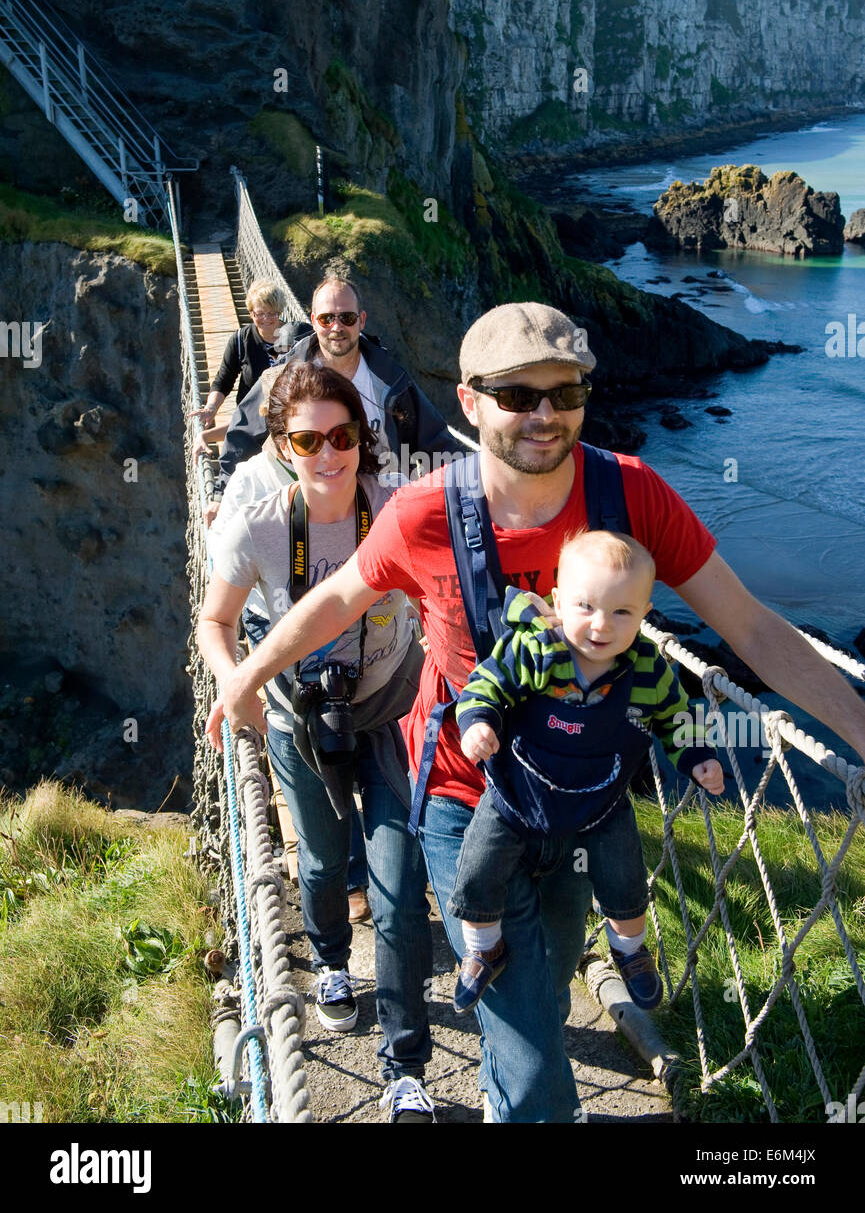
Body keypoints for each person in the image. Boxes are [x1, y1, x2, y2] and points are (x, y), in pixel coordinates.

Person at [215, 300, 865, 1123]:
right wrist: (245, 675)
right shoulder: (423, 513)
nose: (545, 414)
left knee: (551, 979)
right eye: (517, 395)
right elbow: (339, 598)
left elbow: (751, 628)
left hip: (584, 799)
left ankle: (503, 1092)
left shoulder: (631, 496)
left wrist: (859, 734)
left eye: (567, 391)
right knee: (528, 1039)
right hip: (461, 797)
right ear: (469, 402)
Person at [198, 360, 435, 1123]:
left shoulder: (398, 505)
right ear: (282, 444)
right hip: (297, 715)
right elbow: (214, 622)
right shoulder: (258, 523)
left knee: (400, 890)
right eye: (307, 440)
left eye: (342, 436)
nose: (328, 454)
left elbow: (446, 590)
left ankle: (405, 1066)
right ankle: (331, 962)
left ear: (363, 438)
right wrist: (234, 680)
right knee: (324, 860)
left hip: (392, 706)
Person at [449, 529, 724, 1015]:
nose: (601, 625)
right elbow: (484, 687)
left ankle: (631, 951)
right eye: (585, 607)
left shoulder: (648, 671)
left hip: (600, 803)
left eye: (622, 612)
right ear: (558, 601)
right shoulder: (534, 649)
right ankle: (484, 948)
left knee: (625, 879)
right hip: (519, 792)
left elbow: (675, 717)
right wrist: (477, 723)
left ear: (644, 615)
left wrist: (697, 755)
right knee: (477, 869)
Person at [204, 271, 456, 523]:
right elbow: (244, 432)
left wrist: (460, 501)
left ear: (362, 320)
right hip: (305, 515)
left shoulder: (389, 379)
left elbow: (435, 442)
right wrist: (220, 494)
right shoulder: (284, 375)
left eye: (347, 317)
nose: (337, 327)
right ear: (313, 321)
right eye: (326, 319)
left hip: (381, 510)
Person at [191, 278, 286, 459]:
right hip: (253, 421)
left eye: (272, 313)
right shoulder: (241, 341)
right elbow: (223, 380)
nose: (266, 319)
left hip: (290, 422)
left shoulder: (298, 335)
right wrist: (211, 408)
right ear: (251, 313)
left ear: (280, 311)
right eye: (260, 314)